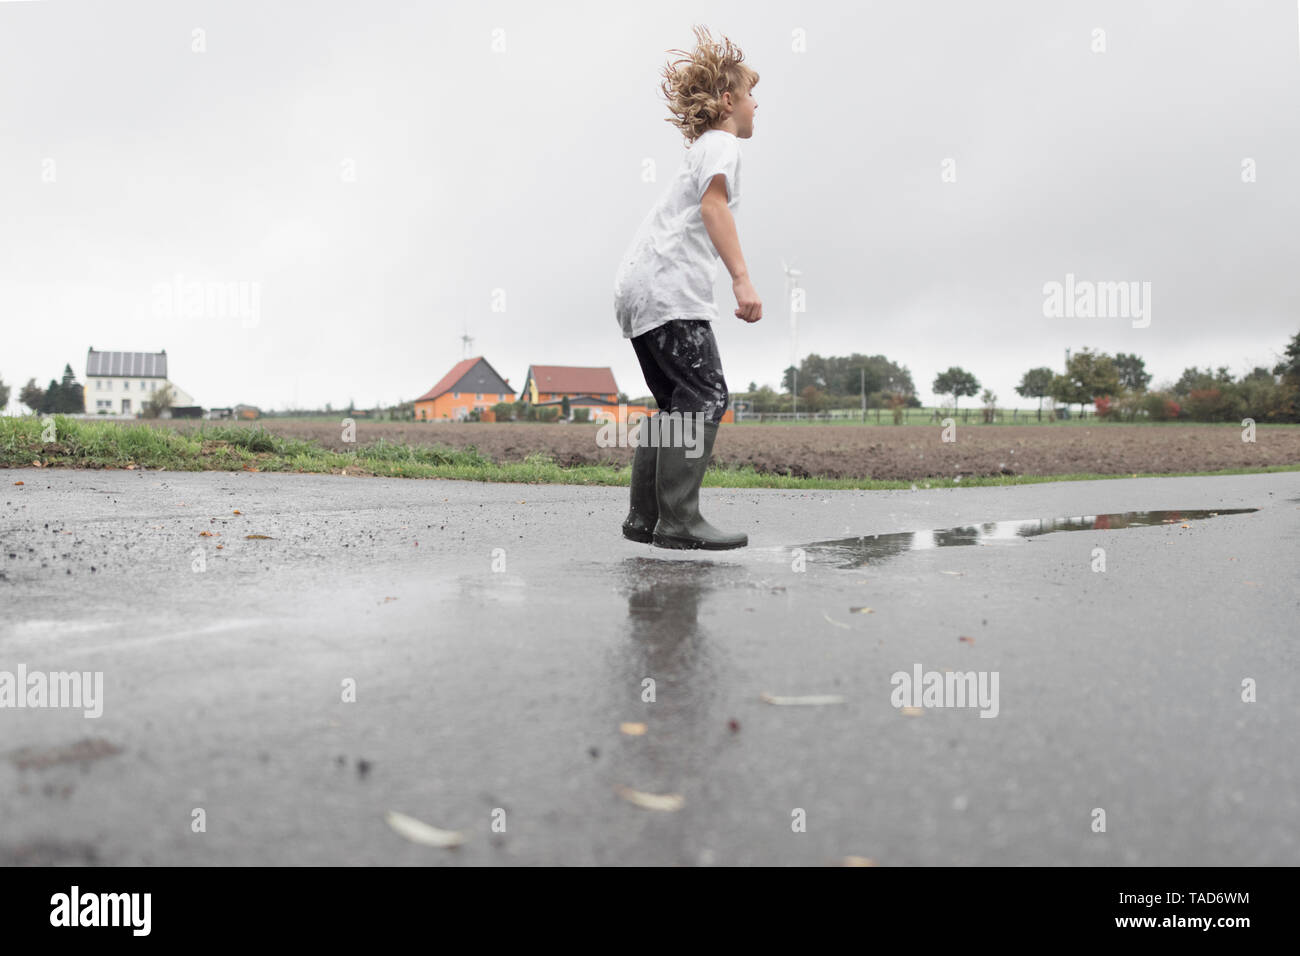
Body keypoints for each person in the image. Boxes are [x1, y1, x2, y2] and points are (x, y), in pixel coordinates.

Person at [614, 25, 762, 551]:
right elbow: (713, 206)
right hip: (667, 289)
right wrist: (741, 278)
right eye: (750, 95)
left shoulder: (699, 148)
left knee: (678, 405)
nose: (756, 105)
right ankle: (679, 522)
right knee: (706, 395)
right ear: (728, 100)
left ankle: (645, 518)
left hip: (637, 290)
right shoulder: (722, 145)